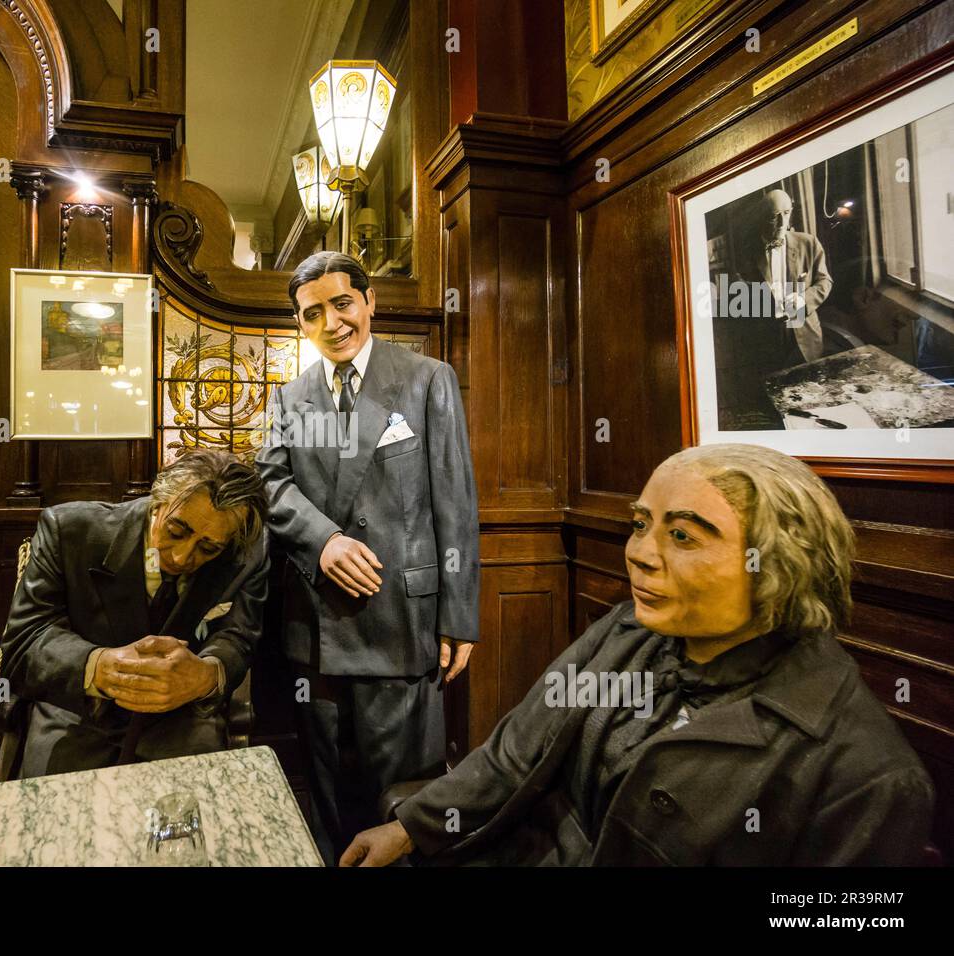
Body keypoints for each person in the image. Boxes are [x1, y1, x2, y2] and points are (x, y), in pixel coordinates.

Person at [341, 443, 934, 866]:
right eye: (640, 524)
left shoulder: (867, 776)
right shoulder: (628, 629)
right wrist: (414, 827)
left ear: (781, 563)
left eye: (682, 535)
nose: (640, 555)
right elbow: (515, 751)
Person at [256, 251, 480, 863]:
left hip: (401, 621)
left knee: (404, 795)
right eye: (312, 314)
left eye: (342, 304)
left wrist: (459, 617)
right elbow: (272, 485)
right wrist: (324, 539)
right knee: (327, 791)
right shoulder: (292, 396)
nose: (331, 322)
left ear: (369, 302)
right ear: (300, 324)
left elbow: (455, 504)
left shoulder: (426, 378)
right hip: (317, 626)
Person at [1, 449, 270, 777]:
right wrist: (98, 667)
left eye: (208, 548)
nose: (184, 557)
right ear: (158, 500)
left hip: (180, 722)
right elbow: (24, 641)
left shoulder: (247, 552)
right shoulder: (70, 530)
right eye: (176, 531)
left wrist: (206, 675)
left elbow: (239, 637)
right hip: (77, 720)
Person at [715, 190, 834, 427]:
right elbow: (737, 299)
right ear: (761, 217)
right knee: (774, 405)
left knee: (812, 403)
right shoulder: (744, 252)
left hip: (805, 335)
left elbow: (825, 281)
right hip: (765, 338)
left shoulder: (808, 243)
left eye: (786, 214)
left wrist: (804, 300)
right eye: (774, 216)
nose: (782, 223)